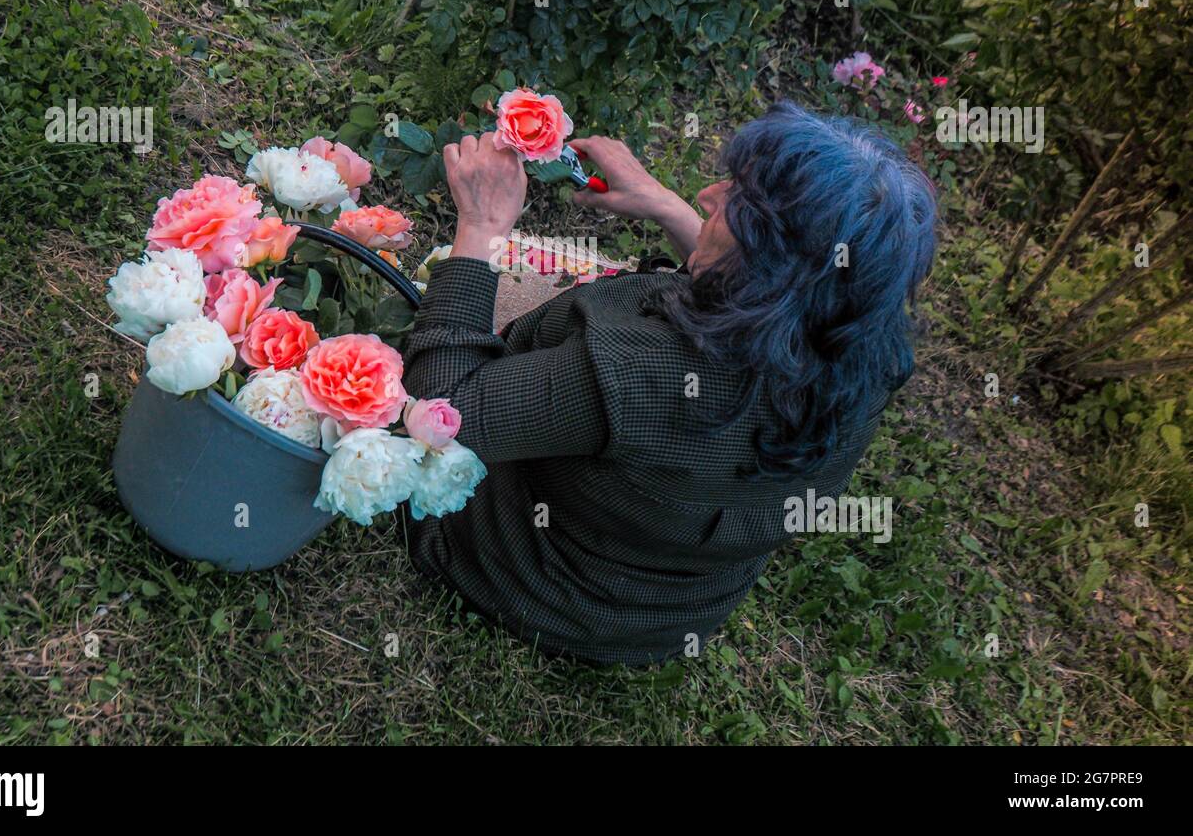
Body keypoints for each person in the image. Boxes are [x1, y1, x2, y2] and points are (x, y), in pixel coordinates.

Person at [400, 101, 938, 665]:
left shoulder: (642, 372)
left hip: (518, 579)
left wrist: (481, 227)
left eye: (737, 202)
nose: (707, 196)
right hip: (661, 615)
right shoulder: (863, 357)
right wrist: (664, 206)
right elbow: (774, 297)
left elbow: (438, 417)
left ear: (772, 261)